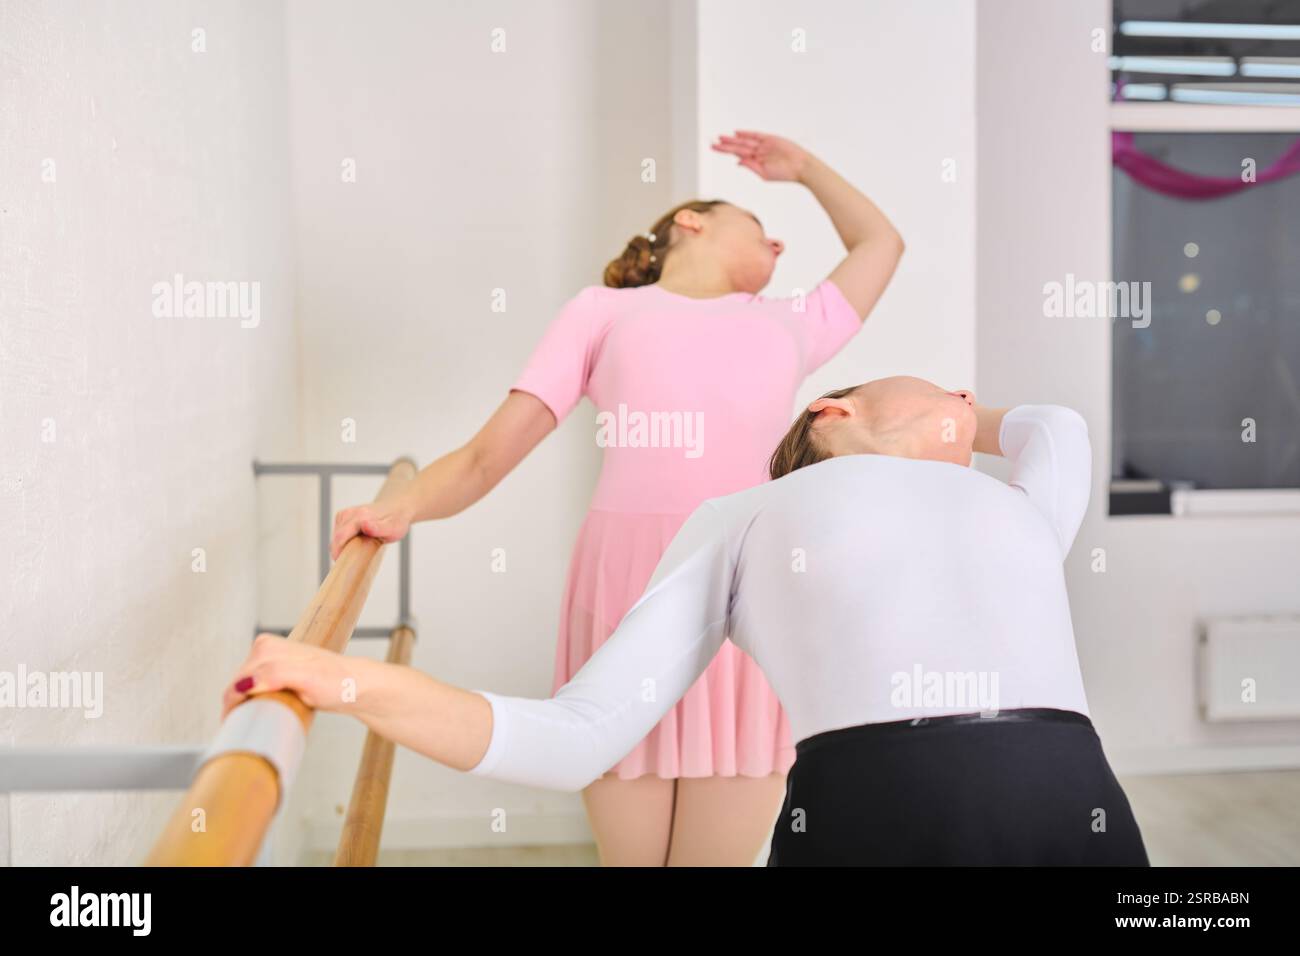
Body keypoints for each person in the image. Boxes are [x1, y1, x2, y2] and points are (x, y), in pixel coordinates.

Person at [225, 376, 1150, 866]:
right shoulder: (745, 513)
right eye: (944, 381)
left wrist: (942, 419)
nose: (965, 391)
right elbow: (579, 736)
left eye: (969, 392)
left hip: (1069, 797)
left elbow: (1055, 427)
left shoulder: (1020, 510)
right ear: (834, 407)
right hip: (881, 805)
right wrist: (352, 681)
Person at [319, 130, 905, 865]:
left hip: (748, 604)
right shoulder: (603, 312)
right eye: (759, 227)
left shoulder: (790, 321)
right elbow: (484, 456)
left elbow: (880, 242)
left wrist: (806, 170)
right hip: (626, 595)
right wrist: (402, 508)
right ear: (690, 222)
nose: (779, 246)